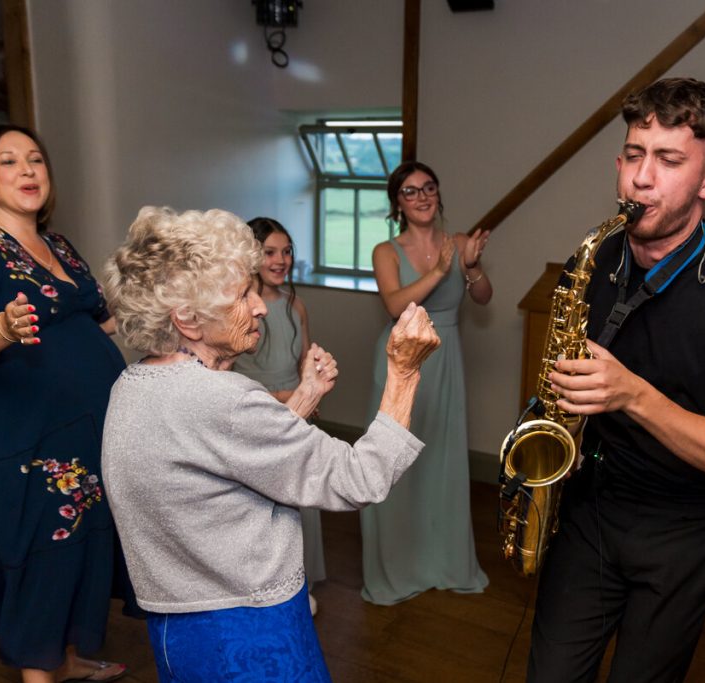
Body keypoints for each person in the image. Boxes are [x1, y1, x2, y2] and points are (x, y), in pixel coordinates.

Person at [526, 77, 705, 682]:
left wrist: (632, 394)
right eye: (633, 155)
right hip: (590, 511)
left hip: (686, 529)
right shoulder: (593, 261)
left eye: (669, 160)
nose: (640, 179)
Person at [100, 206, 440, 682]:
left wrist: (301, 397)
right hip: (247, 630)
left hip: (177, 629)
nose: (260, 306)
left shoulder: (133, 384)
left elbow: (228, 461)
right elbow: (358, 479)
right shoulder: (226, 400)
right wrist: (404, 373)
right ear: (188, 320)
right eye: (243, 294)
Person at [0, 124, 128, 682]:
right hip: (28, 444)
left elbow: (103, 324)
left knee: (78, 555)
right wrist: (0, 326)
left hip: (87, 433)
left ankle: (66, 659)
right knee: (44, 563)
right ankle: (40, 672)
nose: (28, 171)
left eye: (36, 160)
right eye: (9, 162)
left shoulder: (59, 246)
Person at [360, 160, 492, 605]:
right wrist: (437, 271)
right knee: (398, 462)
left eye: (428, 188)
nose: (421, 197)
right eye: (411, 191)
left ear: (438, 194)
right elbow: (396, 305)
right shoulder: (385, 249)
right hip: (405, 359)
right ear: (398, 202)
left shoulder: (458, 243)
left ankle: (444, 561)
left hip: (447, 357)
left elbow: (483, 295)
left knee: (441, 462)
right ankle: (398, 567)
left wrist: (470, 266)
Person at [233, 216, 325, 616]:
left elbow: (304, 355)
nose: (281, 259)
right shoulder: (241, 308)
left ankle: (297, 581)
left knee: (299, 497)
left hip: (299, 412)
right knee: (265, 505)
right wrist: (292, 394)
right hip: (260, 410)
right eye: (270, 252)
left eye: (286, 251)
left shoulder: (294, 303)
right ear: (253, 255)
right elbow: (234, 374)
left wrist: (314, 377)